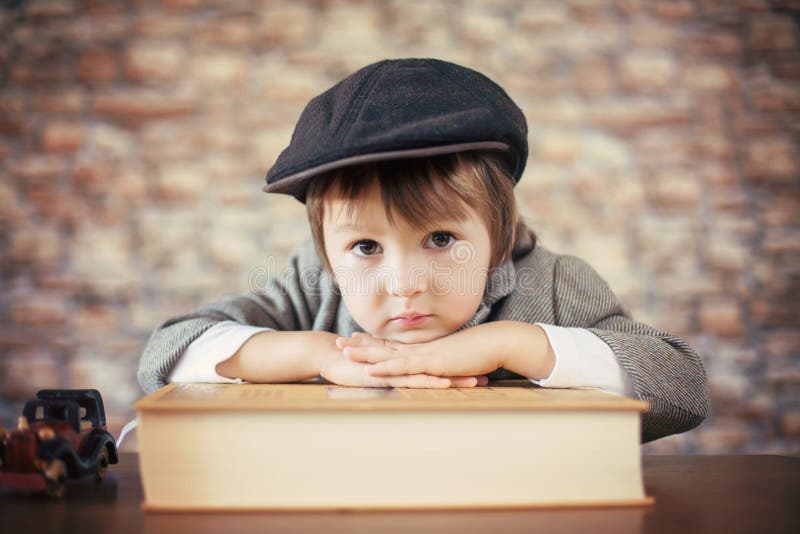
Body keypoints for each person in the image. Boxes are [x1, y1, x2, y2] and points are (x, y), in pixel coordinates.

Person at [137, 58, 710, 443]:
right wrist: (318, 354)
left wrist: (508, 343)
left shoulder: (554, 284)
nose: (404, 282)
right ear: (328, 255)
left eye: (440, 239)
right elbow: (164, 353)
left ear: (498, 234)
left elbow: (683, 388)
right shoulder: (310, 284)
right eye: (364, 246)